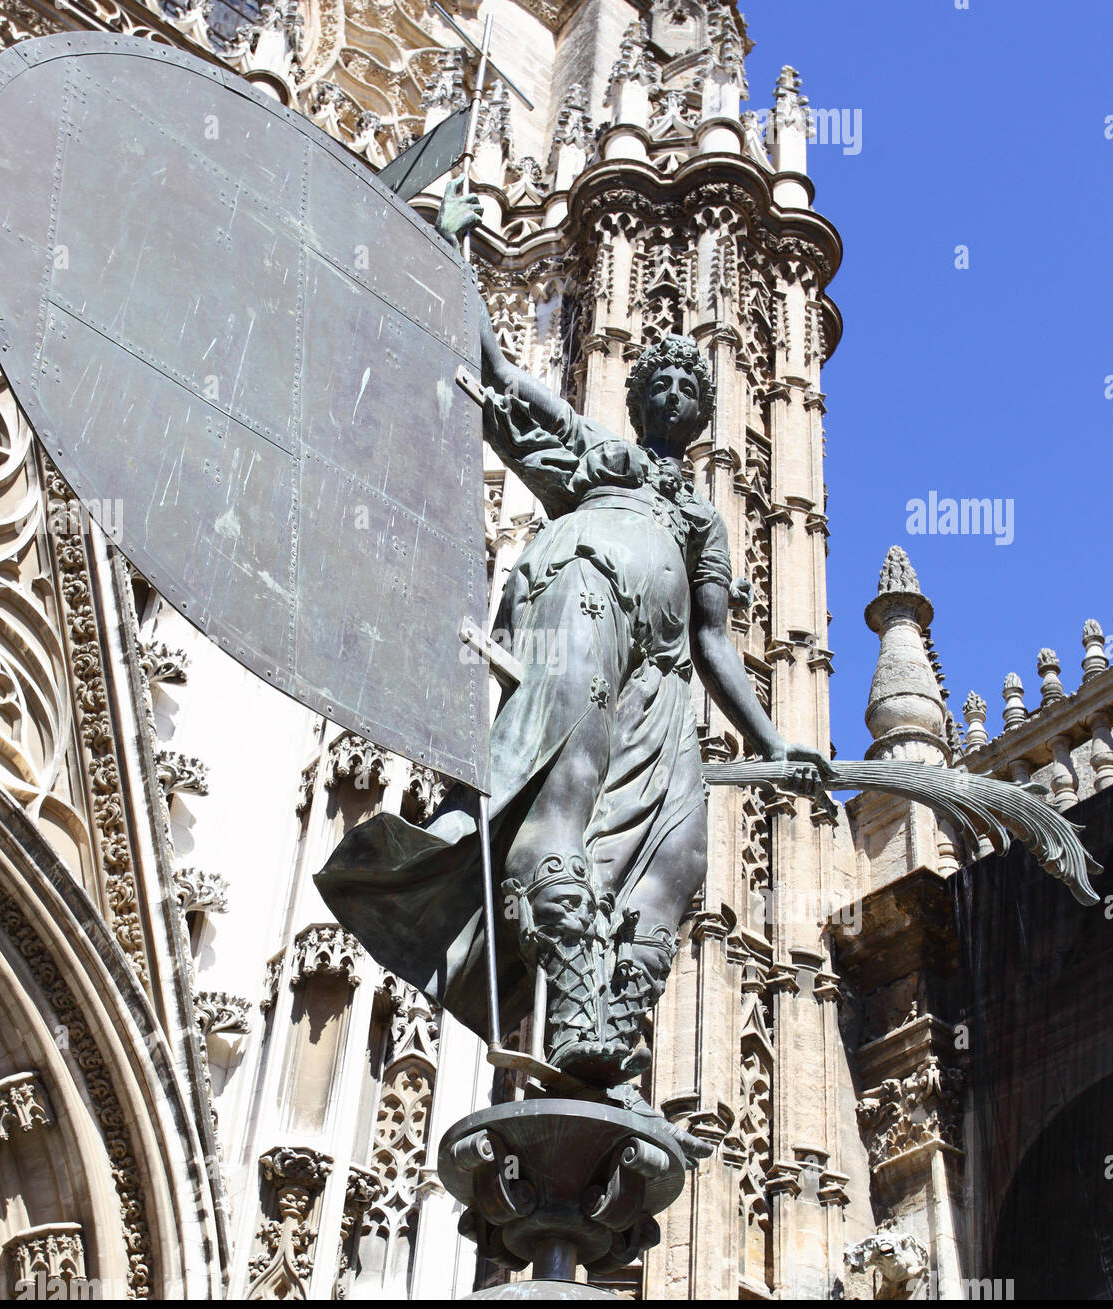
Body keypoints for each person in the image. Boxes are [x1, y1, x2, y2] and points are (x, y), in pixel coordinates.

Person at [315, 181, 832, 1086]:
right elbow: (497, 378)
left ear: (705, 413)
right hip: (580, 599)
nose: (674, 388)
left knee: (680, 852)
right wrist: (451, 255)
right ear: (635, 397)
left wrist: (773, 741)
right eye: (659, 378)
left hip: (659, 676)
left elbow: (714, 643)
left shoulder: (704, 522)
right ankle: (574, 988)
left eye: (690, 383)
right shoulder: (602, 459)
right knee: (564, 778)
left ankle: (609, 1019)